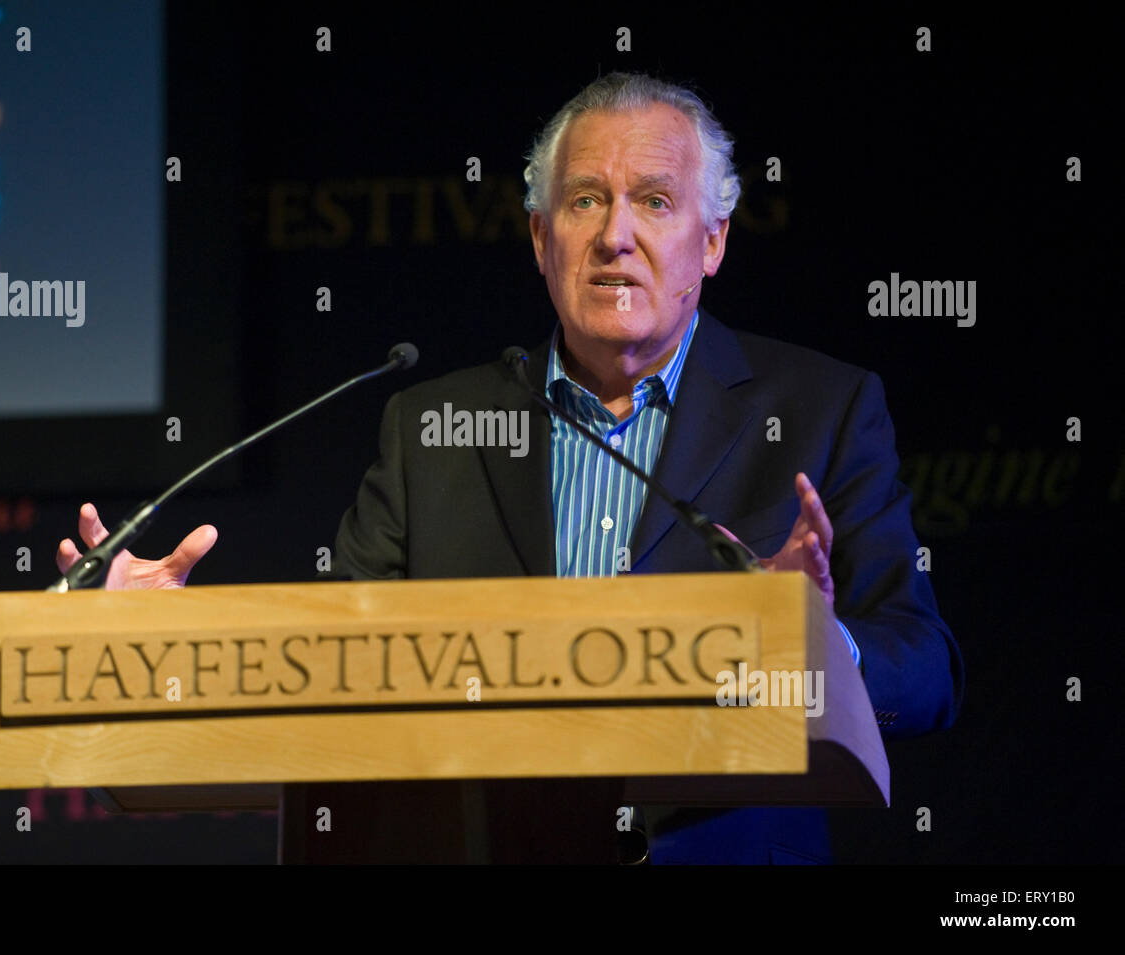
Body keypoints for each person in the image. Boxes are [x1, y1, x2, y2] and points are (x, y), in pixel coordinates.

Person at [58, 71, 964, 864]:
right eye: (584, 200)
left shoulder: (820, 409)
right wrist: (161, 659)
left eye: (653, 200)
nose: (615, 236)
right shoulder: (432, 428)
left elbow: (926, 670)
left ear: (713, 241)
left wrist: (818, 648)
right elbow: (330, 679)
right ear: (540, 239)